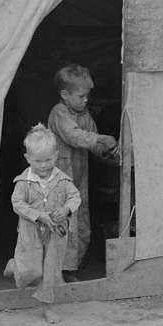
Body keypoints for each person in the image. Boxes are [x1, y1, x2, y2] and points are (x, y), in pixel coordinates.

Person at [47, 64, 118, 281]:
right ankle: (61, 270)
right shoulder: (59, 113)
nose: (86, 100)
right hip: (60, 181)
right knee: (63, 224)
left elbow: (92, 141)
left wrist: (108, 152)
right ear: (64, 95)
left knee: (82, 225)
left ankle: (73, 264)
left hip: (79, 181)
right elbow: (76, 136)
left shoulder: (84, 114)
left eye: (88, 95)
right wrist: (100, 139)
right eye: (81, 96)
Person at [4, 124, 81, 323]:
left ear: (56, 155)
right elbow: (17, 203)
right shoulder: (23, 183)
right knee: (32, 269)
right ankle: (16, 267)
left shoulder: (63, 181)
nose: (44, 165)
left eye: (48, 160)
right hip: (31, 233)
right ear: (28, 159)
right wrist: (38, 215)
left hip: (55, 234)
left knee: (50, 271)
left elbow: (75, 197)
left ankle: (47, 307)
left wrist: (65, 209)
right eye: (38, 161)